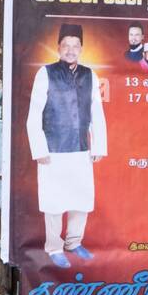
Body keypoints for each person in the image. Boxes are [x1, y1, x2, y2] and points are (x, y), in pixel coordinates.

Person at [26, 23, 107, 269]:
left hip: (81, 149)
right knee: (53, 202)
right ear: (58, 48)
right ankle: (53, 247)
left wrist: (99, 146)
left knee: (80, 199)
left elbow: (96, 111)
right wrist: (39, 150)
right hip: (53, 150)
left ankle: (74, 242)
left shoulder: (89, 75)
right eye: (66, 46)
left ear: (81, 48)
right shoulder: (45, 73)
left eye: (75, 46)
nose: (71, 50)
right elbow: (34, 114)